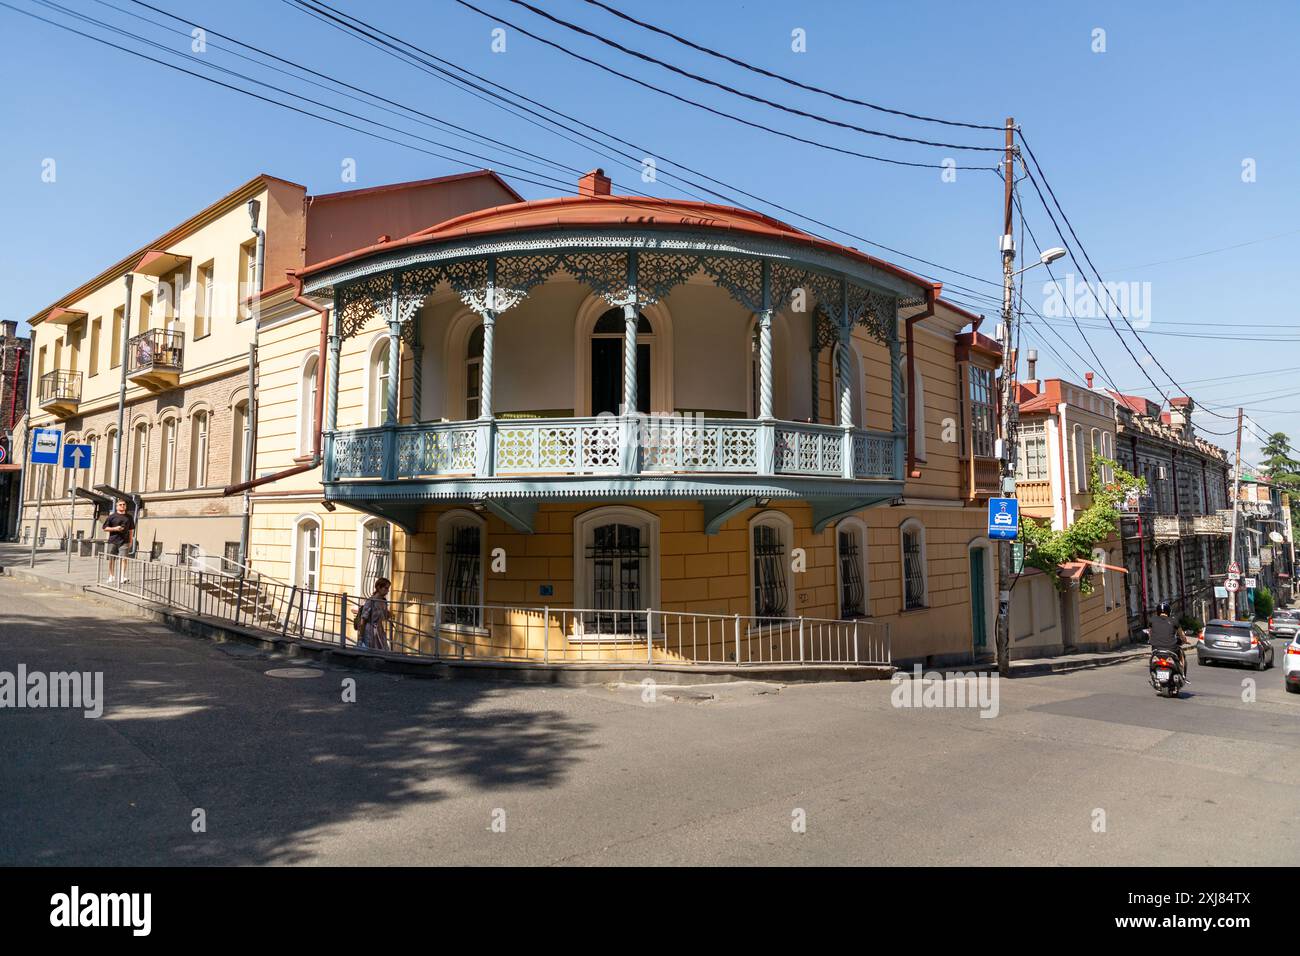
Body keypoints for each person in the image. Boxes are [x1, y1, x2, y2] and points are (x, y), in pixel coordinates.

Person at [1149, 601, 1189, 680]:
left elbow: (1150, 634)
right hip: (1171, 649)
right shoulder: (1174, 620)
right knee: (1181, 653)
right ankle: (1183, 675)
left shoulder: (1152, 620)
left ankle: (1153, 674)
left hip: (1156, 649)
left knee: (1151, 659)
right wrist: (1184, 641)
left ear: (1157, 611)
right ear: (1169, 611)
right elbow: (1182, 636)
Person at [102, 498, 135, 586]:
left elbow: (131, 530)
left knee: (124, 559)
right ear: (117, 506)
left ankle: (122, 576)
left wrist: (131, 541)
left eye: (124, 504)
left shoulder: (129, 517)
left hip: (125, 541)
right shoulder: (112, 516)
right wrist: (115, 529)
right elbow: (104, 528)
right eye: (120, 505)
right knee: (112, 559)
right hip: (113, 541)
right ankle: (111, 575)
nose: (122, 506)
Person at [356, 577, 392, 651]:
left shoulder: (384, 601)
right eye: (386, 588)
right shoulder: (371, 601)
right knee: (371, 651)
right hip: (370, 631)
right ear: (379, 587)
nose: (387, 591)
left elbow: (384, 616)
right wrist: (360, 637)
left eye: (388, 588)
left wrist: (388, 614)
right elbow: (363, 619)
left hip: (379, 630)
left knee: (384, 650)